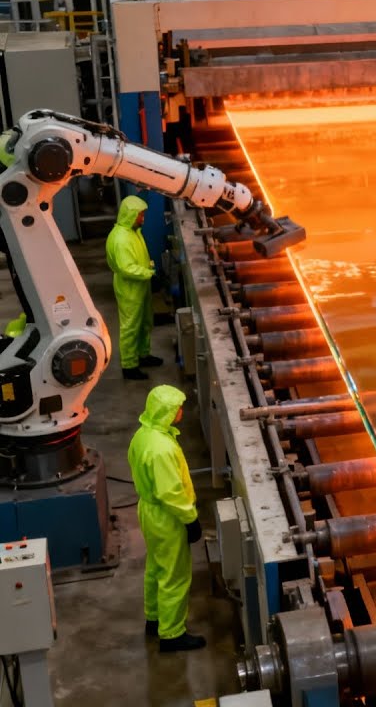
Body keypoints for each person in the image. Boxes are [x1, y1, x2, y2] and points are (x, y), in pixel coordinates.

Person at [129, 384, 206, 652]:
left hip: (149, 511)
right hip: (167, 517)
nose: (181, 412)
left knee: (156, 567)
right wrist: (190, 519)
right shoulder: (161, 449)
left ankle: (154, 619)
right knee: (175, 575)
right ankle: (172, 634)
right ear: (167, 412)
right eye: (177, 408)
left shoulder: (144, 435)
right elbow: (171, 492)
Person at [106, 195, 163, 380]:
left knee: (145, 321)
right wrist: (150, 274)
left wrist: (149, 270)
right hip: (129, 288)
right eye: (140, 215)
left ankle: (143, 354)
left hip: (141, 285)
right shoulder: (121, 239)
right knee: (130, 326)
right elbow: (126, 268)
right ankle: (129, 366)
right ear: (130, 215)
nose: (143, 218)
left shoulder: (133, 231)